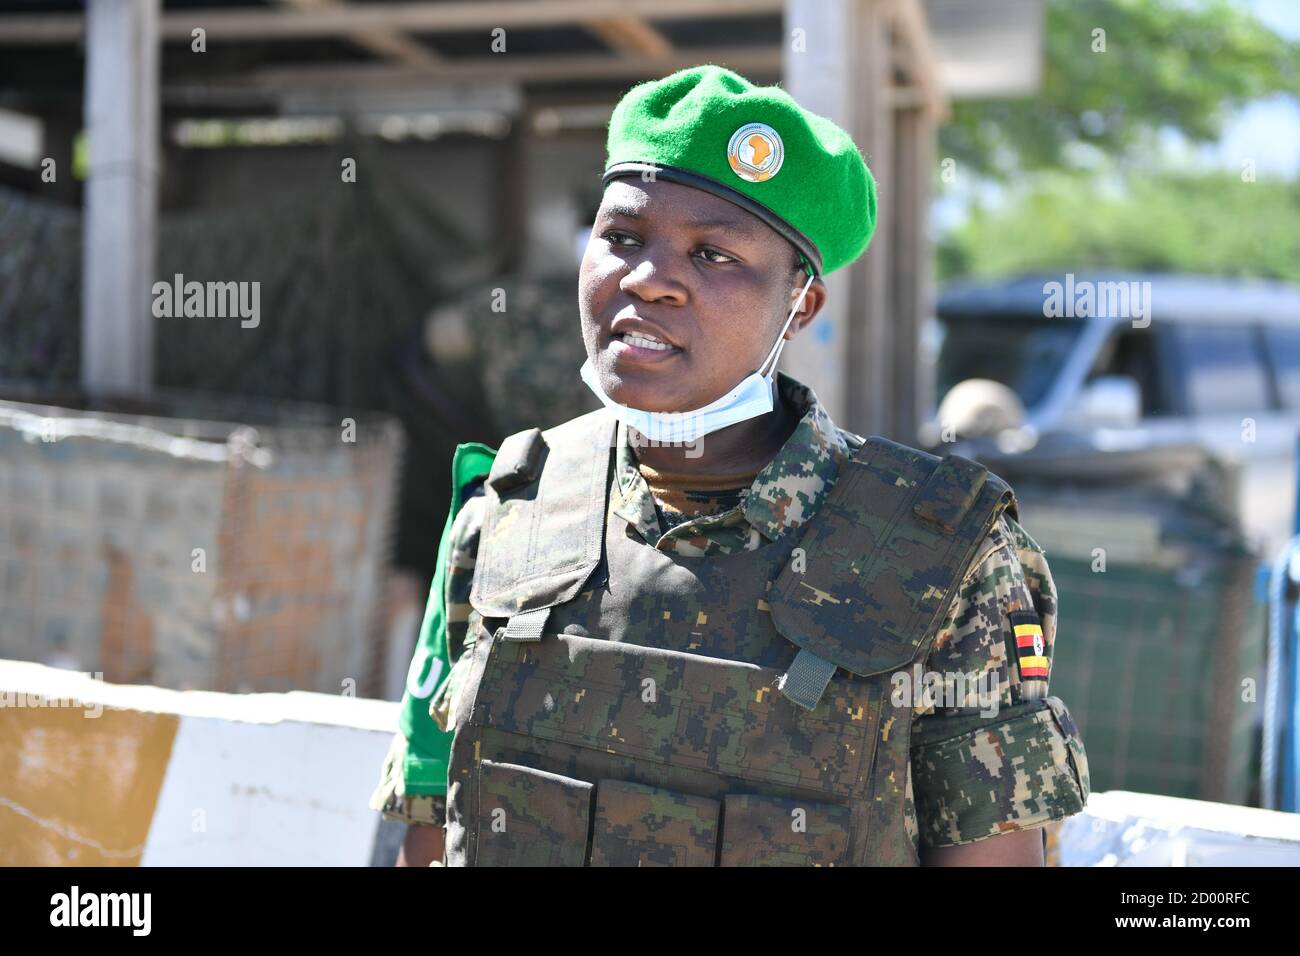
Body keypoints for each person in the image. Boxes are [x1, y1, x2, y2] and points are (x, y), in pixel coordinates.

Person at [377, 64, 1090, 867]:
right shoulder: (507, 510)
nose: (648, 281)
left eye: (713, 255)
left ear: (802, 305)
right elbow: (433, 835)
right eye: (621, 238)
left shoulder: (942, 555)